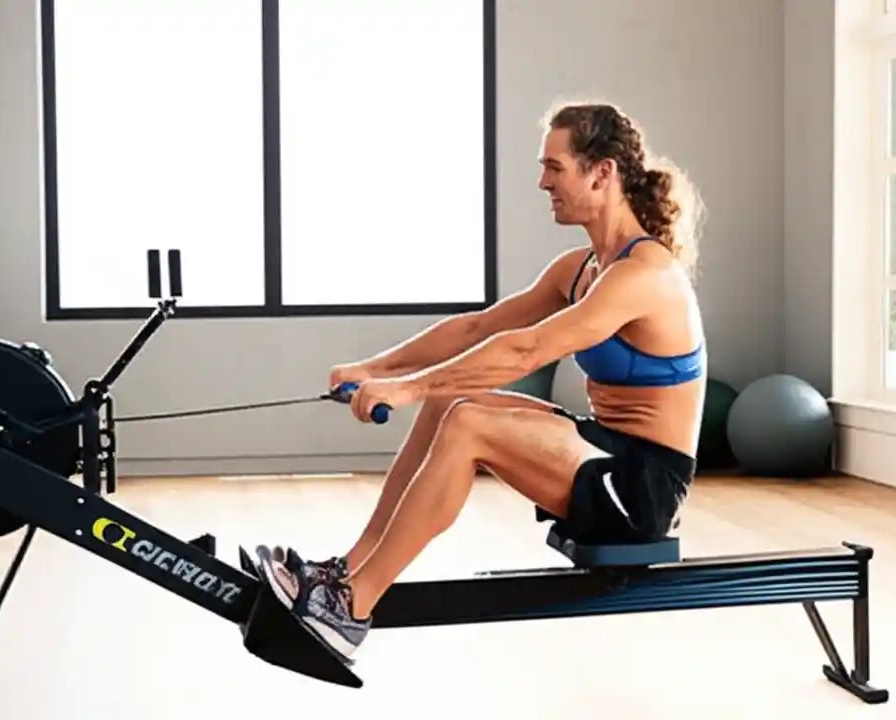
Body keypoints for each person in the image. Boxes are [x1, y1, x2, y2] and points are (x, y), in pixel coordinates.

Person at [253, 101, 708, 660]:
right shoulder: (581, 269)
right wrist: (378, 369)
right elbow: (480, 327)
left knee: (467, 423)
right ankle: (345, 571)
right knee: (451, 400)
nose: (543, 181)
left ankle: (351, 609)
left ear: (602, 172)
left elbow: (526, 348)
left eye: (555, 167)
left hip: (643, 488)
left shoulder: (643, 275)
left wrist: (407, 388)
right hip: (606, 449)